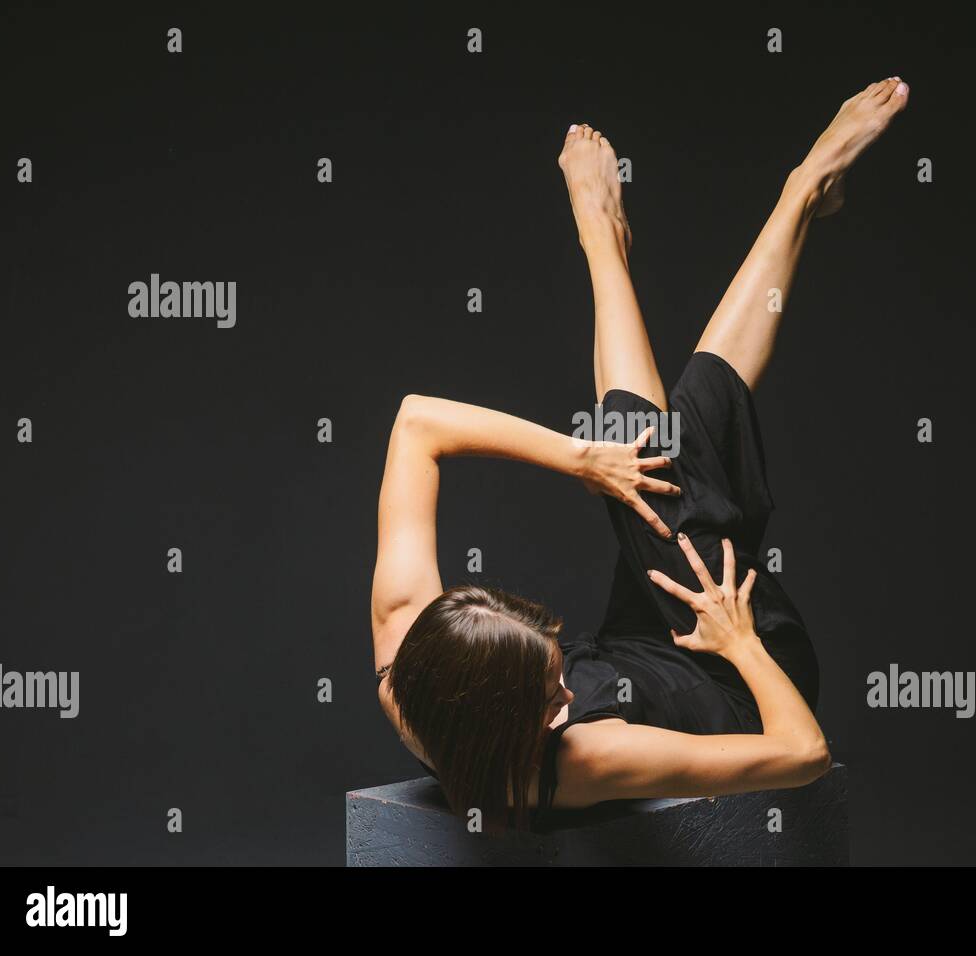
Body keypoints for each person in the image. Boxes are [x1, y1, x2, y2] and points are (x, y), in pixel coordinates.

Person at [370, 77, 910, 829]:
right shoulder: (583, 761)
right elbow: (804, 752)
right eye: (552, 698)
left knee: (652, 448)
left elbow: (414, 421)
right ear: (504, 730)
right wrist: (742, 644)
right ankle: (751, 203)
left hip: (639, 646)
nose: (565, 697)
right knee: (654, 458)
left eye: (556, 674)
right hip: (741, 673)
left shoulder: (405, 660)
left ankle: (751, 208)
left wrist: (576, 459)